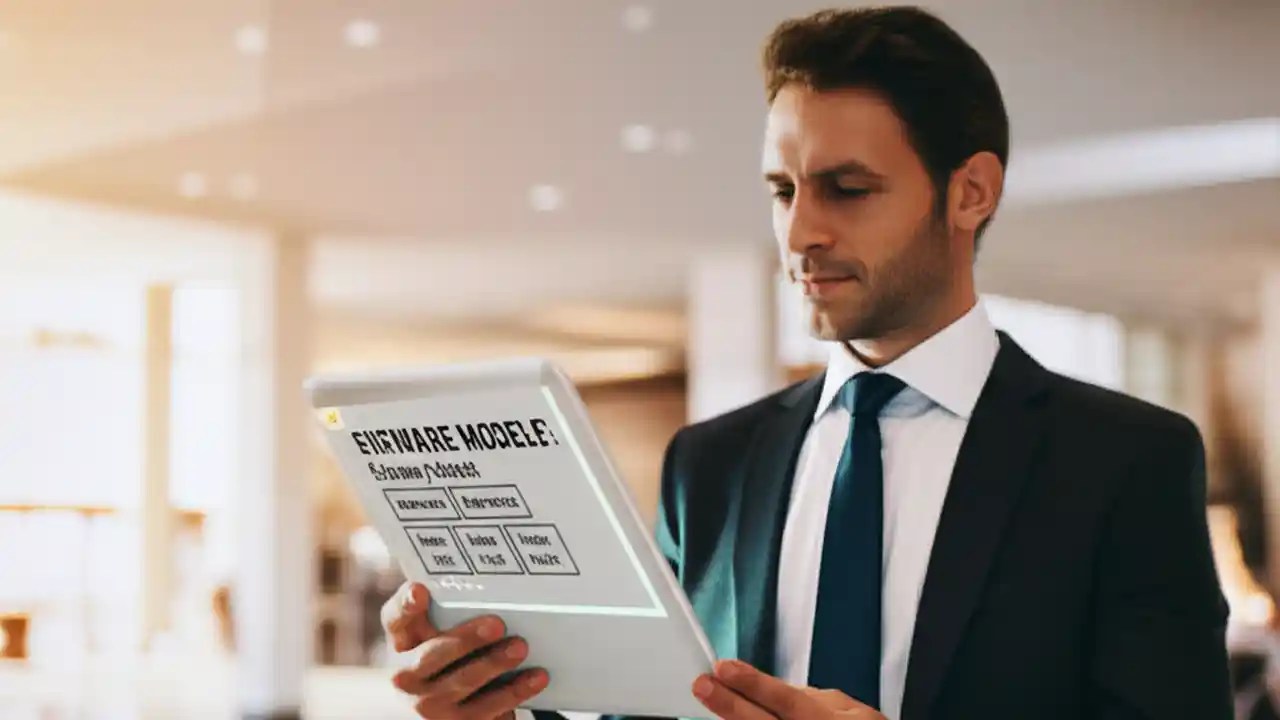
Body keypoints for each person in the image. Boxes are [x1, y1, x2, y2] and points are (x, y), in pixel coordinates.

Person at [380, 6, 1232, 719]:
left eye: (847, 190)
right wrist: (499, 709)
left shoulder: (1125, 461)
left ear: (971, 191)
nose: (799, 234)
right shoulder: (708, 466)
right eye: (782, 191)